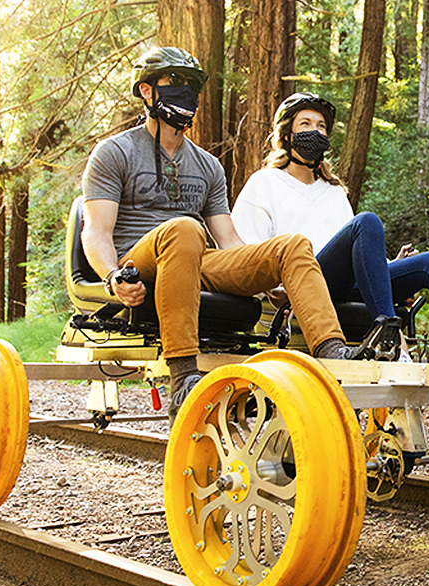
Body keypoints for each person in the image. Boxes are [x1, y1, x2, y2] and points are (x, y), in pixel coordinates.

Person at [81, 48, 359, 422]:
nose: (187, 94)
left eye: (193, 86)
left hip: (195, 256)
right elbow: (95, 231)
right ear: (147, 91)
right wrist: (113, 276)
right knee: (184, 228)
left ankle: (331, 350)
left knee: (292, 245)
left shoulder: (208, 165)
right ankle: (182, 376)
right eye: (175, 83)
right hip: (140, 259)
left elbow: (229, 241)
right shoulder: (114, 152)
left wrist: (265, 279)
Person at [232, 92, 429, 343]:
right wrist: (271, 287)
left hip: (340, 284)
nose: (315, 131)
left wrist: (390, 264)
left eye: (321, 126)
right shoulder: (264, 183)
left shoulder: (334, 191)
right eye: (305, 124)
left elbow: (352, 249)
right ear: (287, 135)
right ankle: (391, 339)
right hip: (303, 283)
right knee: (367, 221)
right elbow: (245, 256)